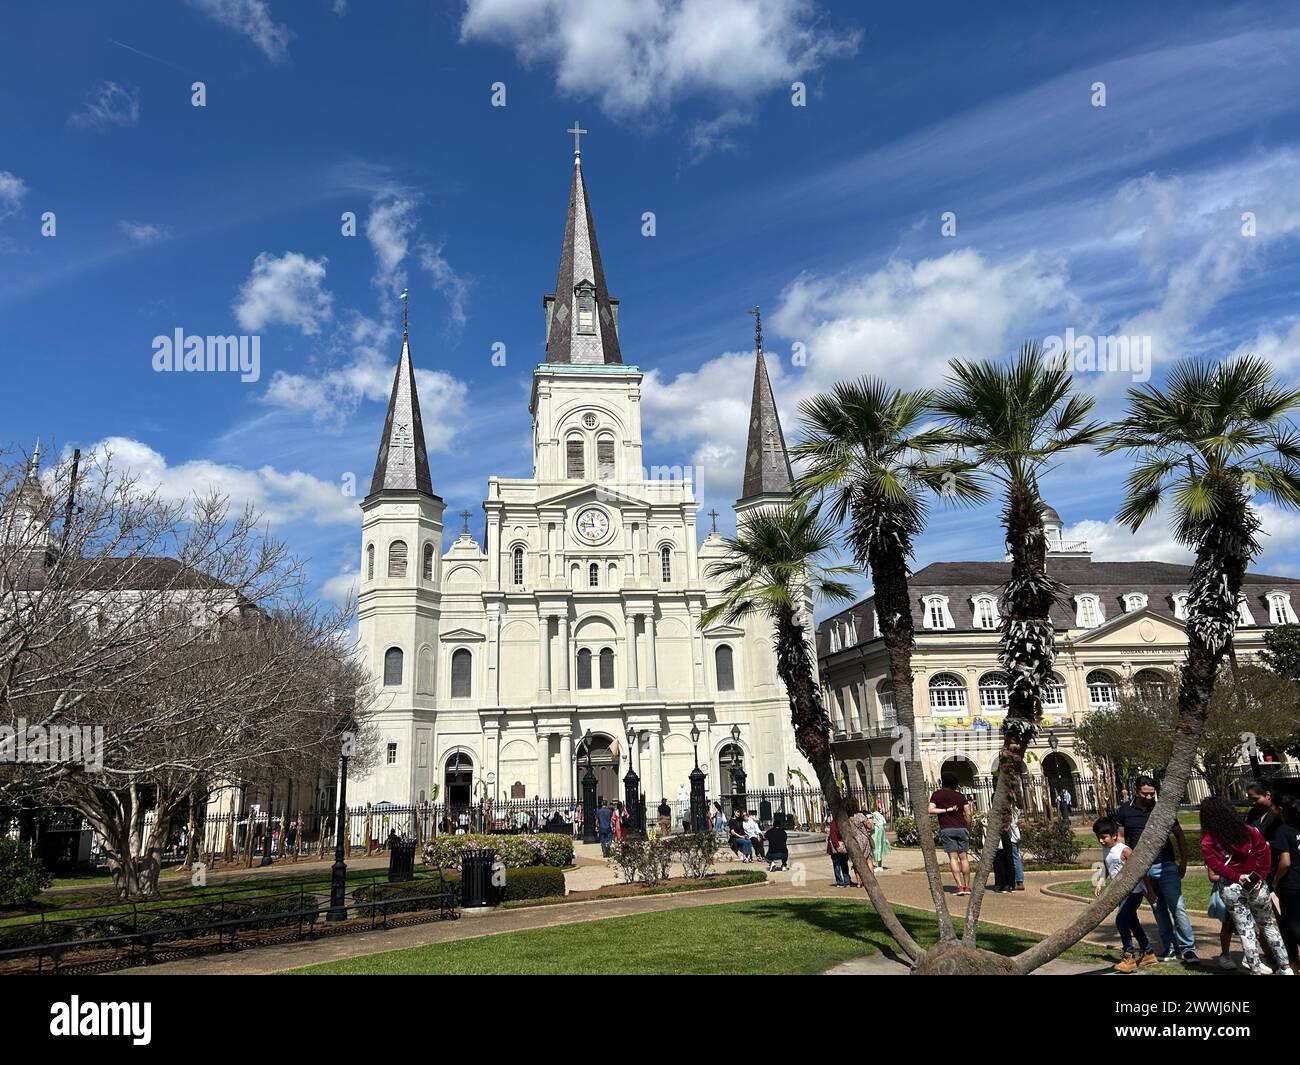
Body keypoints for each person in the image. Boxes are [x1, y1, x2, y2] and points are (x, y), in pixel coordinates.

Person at [1199, 795, 1294, 976]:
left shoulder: (1208, 840)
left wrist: (1236, 876)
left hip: (1231, 887)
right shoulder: (1250, 831)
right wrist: (1260, 876)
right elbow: (1263, 853)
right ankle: (1285, 967)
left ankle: (1256, 969)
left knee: (1246, 930)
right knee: (1268, 925)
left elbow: (1216, 865)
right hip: (1257, 884)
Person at [1115, 776, 1198, 964]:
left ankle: (1188, 949)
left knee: (1177, 908)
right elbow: (1121, 837)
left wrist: (1183, 862)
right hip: (1142, 869)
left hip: (1166, 864)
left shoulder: (1162, 810)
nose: (1150, 797)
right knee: (1158, 909)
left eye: (1152, 793)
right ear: (1136, 791)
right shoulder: (1125, 811)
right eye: (1145, 793)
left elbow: (1179, 836)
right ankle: (1169, 947)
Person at [1094, 817, 1160, 972]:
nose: (1101, 841)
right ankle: (1148, 953)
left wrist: (1149, 891)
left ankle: (1128, 956)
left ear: (1114, 835)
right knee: (1132, 923)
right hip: (1120, 894)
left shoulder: (1124, 850)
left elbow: (1141, 871)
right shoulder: (1106, 850)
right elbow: (1106, 867)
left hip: (1134, 892)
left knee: (1121, 920)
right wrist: (1099, 882)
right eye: (1098, 838)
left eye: (1104, 837)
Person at [928, 773, 971, 896]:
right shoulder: (960, 796)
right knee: (964, 858)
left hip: (946, 829)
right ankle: (967, 886)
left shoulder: (937, 795)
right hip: (961, 828)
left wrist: (945, 810)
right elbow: (968, 814)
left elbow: (930, 810)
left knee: (953, 858)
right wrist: (967, 827)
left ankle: (959, 887)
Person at [1274, 795, 1300, 965]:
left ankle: (1292, 962)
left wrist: (1275, 880)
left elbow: (1285, 861)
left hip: (1291, 884)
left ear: (1281, 810)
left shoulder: (1283, 831)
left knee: (1292, 925)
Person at [843, 797, 875, 886]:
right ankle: (871, 879)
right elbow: (870, 827)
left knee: (856, 861)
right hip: (864, 839)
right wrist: (870, 823)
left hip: (854, 840)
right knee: (868, 859)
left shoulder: (846, 818)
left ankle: (859, 882)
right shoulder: (860, 816)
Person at [826, 817, 852, 886]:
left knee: (842, 864)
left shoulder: (838, 822)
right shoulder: (834, 823)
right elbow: (833, 836)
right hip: (838, 846)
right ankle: (841, 881)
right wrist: (837, 845)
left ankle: (845, 880)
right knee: (838, 864)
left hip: (841, 845)